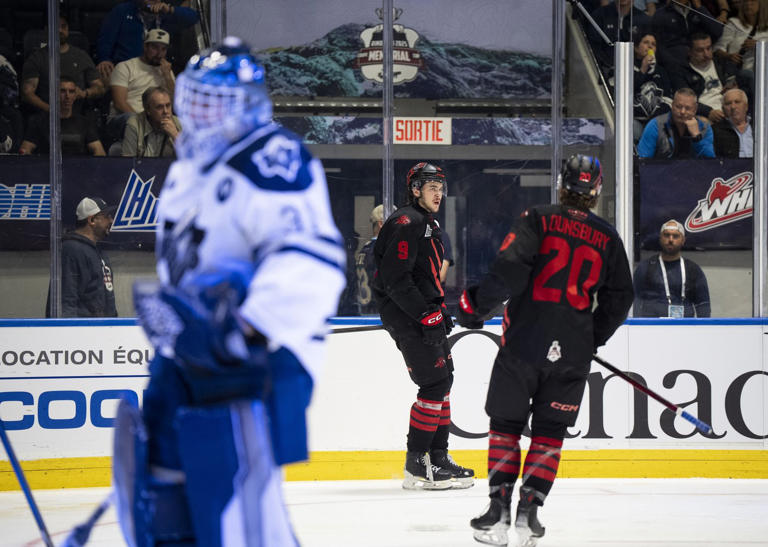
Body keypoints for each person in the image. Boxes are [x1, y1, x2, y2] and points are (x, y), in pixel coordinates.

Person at [114, 37, 346, 547]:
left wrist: (243, 326)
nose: (204, 113)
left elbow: (311, 260)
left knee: (236, 502)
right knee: (160, 488)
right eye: (196, 100)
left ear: (251, 104)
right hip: (195, 351)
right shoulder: (187, 173)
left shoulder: (272, 157)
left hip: (261, 354)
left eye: (219, 102)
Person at [457, 155, 634, 547]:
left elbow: (509, 268)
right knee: (550, 432)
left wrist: (474, 306)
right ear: (597, 189)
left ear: (561, 184)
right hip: (571, 352)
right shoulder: (608, 237)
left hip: (524, 339)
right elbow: (620, 299)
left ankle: (496, 509)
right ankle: (529, 512)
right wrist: (590, 337)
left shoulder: (537, 217)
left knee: (505, 425)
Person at [372, 162, 474, 491]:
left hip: (421, 313)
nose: (438, 194)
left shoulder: (427, 222)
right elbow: (394, 279)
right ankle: (418, 464)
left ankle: (438, 457)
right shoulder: (405, 221)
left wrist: (437, 309)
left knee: (444, 380)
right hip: (407, 316)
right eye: (431, 187)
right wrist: (423, 314)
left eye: (441, 188)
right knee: (433, 385)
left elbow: (421, 276)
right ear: (415, 189)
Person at [45, 197, 117, 317]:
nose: (111, 220)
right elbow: (65, 300)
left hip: (103, 332)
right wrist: (68, 332)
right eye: (107, 216)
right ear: (92, 220)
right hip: (83, 333)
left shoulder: (98, 252)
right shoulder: (71, 250)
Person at [96, 0, 199, 83]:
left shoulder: (165, 14)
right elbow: (106, 38)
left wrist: (170, 10)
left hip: (156, 69)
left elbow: (193, 18)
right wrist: (104, 58)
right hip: (128, 70)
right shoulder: (122, 11)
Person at [21, 16, 104, 114]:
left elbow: (99, 87)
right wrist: (52, 111)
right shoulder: (36, 58)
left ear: (68, 29)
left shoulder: (81, 56)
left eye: (63, 26)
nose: (60, 30)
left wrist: (84, 93)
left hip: (78, 117)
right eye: (55, 27)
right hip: (46, 118)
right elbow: (27, 93)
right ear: (47, 30)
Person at [106, 28, 176, 144]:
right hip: (125, 118)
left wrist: (167, 76)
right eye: (155, 48)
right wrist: (145, 122)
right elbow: (119, 103)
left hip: (156, 118)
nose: (159, 54)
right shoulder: (125, 67)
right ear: (145, 47)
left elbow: (175, 103)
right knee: (131, 120)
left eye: (163, 49)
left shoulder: (167, 71)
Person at [633, 219, 711, 317]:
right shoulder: (645, 268)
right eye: (666, 235)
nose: (670, 240)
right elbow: (634, 303)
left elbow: (703, 306)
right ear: (660, 238)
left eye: (675, 236)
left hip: (685, 329)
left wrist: (702, 330)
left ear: (683, 240)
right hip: (652, 329)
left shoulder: (693, 270)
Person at [19, 77, 106, 156]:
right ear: (54, 94)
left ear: (75, 95)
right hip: (47, 170)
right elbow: (25, 150)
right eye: (63, 91)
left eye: (71, 92)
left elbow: (99, 152)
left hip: (78, 169)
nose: (67, 96)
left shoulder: (84, 122)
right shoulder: (39, 121)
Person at [670, 33, 732, 123]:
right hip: (703, 114)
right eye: (700, 50)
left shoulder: (720, 63)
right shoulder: (681, 72)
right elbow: (685, 101)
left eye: (708, 48)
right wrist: (708, 112)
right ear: (689, 51)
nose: (706, 54)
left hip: (728, 109)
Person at [637, 87, 715, 158]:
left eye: (687, 108)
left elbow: (710, 162)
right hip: (663, 172)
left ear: (695, 109)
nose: (682, 112)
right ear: (672, 105)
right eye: (678, 106)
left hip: (693, 172)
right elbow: (643, 160)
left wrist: (697, 137)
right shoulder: (656, 125)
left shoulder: (705, 128)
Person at [651, 0, 723, 71]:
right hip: (676, 64)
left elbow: (717, 32)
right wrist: (671, 63)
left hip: (702, 59)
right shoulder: (661, 15)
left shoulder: (698, 10)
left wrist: (699, 8)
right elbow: (658, 45)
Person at [632, 32, 673, 141]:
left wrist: (654, 121)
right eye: (646, 42)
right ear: (636, 48)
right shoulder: (626, 66)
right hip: (634, 119)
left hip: (656, 120)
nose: (650, 46)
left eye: (653, 44)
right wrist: (643, 70)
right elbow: (626, 93)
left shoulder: (661, 71)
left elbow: (668, 99)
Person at [121, 86, 181, 157]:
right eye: (159, 107)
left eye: (168, 105)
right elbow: (127, 161)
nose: (165, 111)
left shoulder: (179, 123)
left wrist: (175, 135)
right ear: (148, 109)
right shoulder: (134, 124)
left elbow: (192, 160)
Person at [354, 204, 384, 315]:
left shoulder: (364, 249)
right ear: (381, 224)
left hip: (364, 310)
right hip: (378, 313)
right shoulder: (382, 250)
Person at [713, 87, 753, 157]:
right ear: (723, 109)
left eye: (737, 102)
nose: (733, 107)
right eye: (728, 103)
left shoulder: (760, 126)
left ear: (746, 106)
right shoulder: (715, 131)